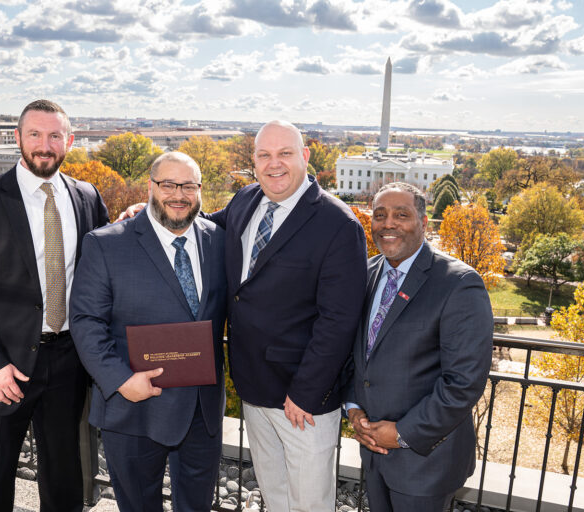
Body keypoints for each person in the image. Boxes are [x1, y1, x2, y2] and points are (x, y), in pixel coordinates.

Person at [0, 99, 109, 512]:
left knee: (64, 474)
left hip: (68, 360)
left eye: (55, 135)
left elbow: (108, 260)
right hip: (6, 366)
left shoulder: (87, 197)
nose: (44, 144)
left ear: (69, 142)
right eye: (34, 134)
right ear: (17, 138)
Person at [208, 120, 367, 511]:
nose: (273, 164)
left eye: (285, 153)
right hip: (253, 384)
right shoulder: (245, 200)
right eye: (264, 155)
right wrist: (154, 213)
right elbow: (209, 227)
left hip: (301, 400)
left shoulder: (338, 224)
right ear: (254, 161)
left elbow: (339, 321)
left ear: (305, 157)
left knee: (309, 503)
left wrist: (305, 392)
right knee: (274, 494)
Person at [69, 151, 227, 512]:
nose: (178, 194)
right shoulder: (107, 243)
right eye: (168, 184)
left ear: (200, 189)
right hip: (134, 406)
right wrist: (121, 380)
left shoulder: (219, 241)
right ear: (151, 187)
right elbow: (85, 321)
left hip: (201, 411)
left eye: (188, 185)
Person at [344, 182, 493, 512]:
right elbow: (354, 353)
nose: (388, 224)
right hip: (373, 452)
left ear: (424, 223)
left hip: (426, 461)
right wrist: (353, 408)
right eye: (380, 215)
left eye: (402, 214)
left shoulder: (459, 284)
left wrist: (400, 433)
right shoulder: (365, 273)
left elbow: (464, 383)